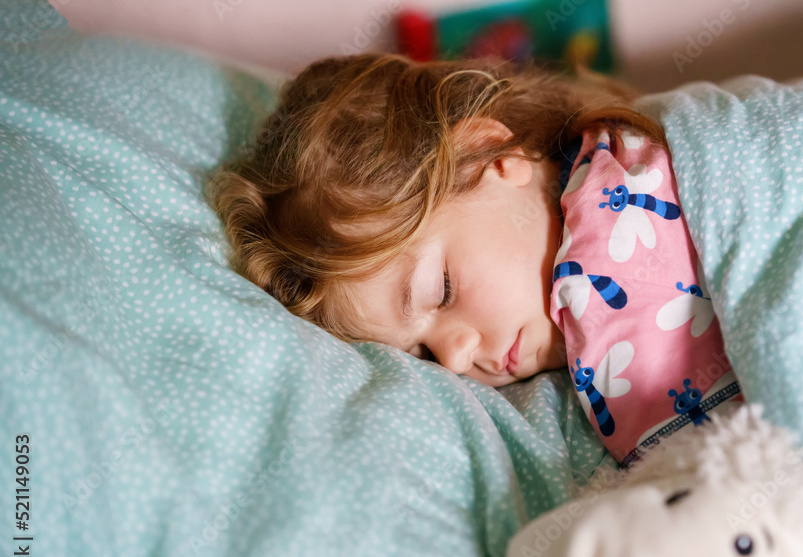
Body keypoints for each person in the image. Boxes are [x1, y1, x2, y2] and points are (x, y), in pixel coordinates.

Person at [210, 53, 742, 463]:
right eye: (422, 353)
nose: (457, 359)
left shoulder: (620, 203)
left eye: (440, 290)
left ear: (493, 157)